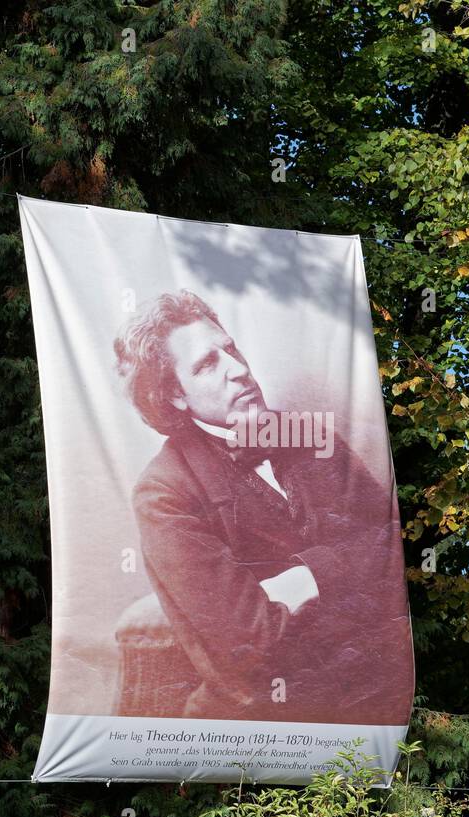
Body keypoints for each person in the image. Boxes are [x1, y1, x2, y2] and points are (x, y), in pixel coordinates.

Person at [113, 290, 414, 725]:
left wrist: (303, 579)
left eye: (230, 348)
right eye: (206, 365)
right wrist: (347, 576)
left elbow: (393, 552)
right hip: (264, 723)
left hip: (377, 690)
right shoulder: (164, 492)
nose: (238, 370)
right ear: (175, 395)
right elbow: (247, 644)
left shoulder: (309, 435)